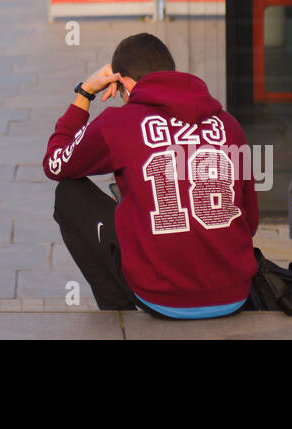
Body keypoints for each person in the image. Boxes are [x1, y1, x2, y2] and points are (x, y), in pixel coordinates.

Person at [43, 32, 258, 318]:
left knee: (69, 194)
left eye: (120, 92)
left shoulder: (118, 124)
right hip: (234, 293)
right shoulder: (228, 123)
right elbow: (250, 222)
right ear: (174, 73)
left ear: (123, 83)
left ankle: (117, 316)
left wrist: (85, 93)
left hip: (162, 298)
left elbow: (55, 165)